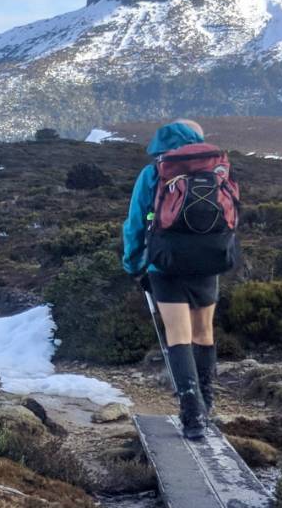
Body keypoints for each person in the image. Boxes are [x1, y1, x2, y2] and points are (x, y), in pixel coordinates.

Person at [121, 119, 220, 440]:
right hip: (208, 262)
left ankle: (193, 417)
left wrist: (133, 262)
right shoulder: (217, 169)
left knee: (178, 334)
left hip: (165, 263)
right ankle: (208, 404)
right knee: (204, 332)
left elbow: (135, 223)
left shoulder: (153, 173)